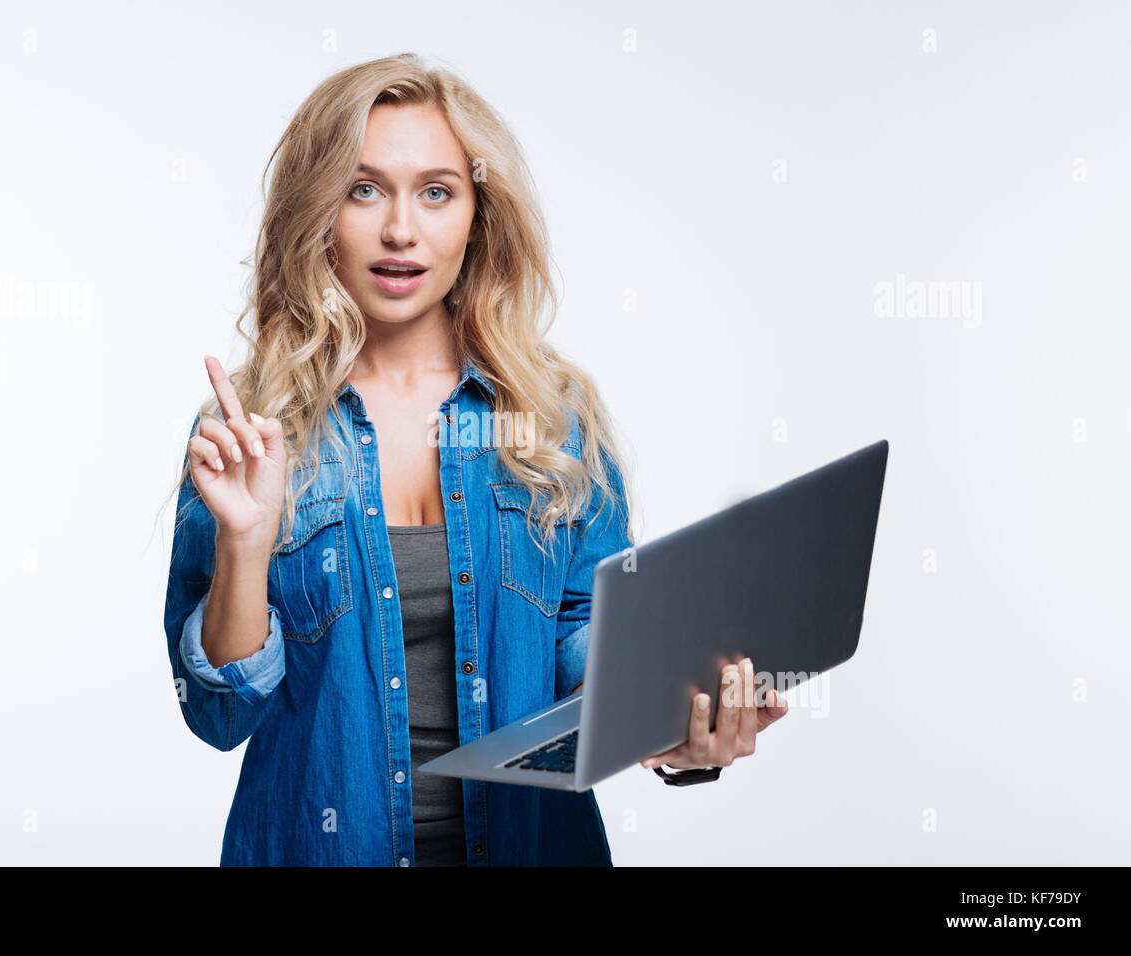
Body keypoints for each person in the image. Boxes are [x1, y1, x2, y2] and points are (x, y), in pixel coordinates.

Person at [162, 52, 787, 867]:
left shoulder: (556, 421)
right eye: (363, 188)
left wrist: (673, 718)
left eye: (435, 191)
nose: (399, 229)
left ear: (476, 217)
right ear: (320, 213)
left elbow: (583, 652)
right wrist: (246, 541)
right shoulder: (255, 430)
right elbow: (217, 719)